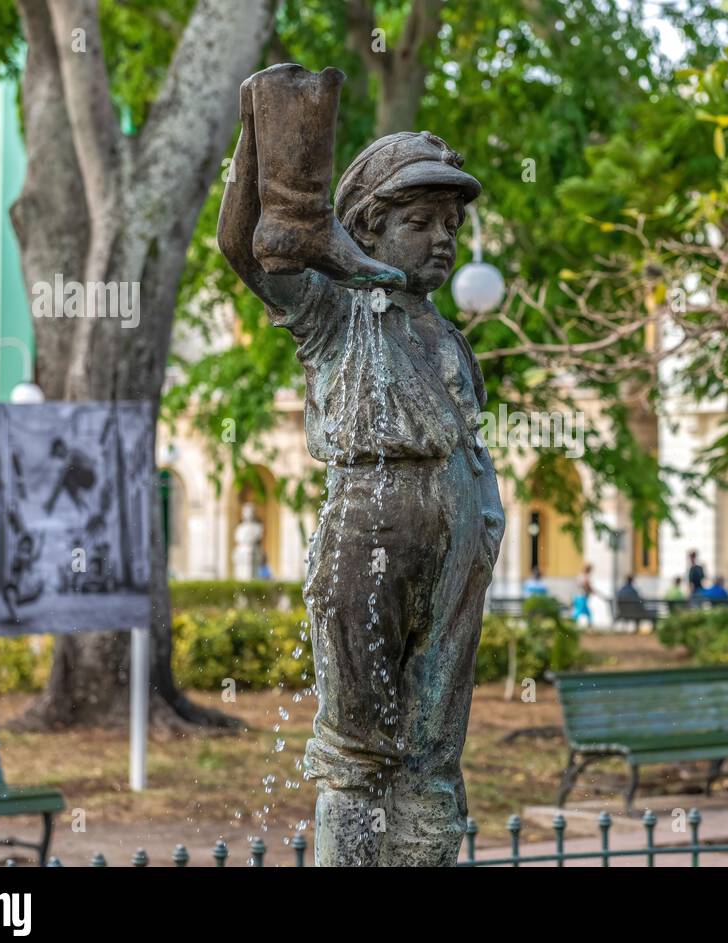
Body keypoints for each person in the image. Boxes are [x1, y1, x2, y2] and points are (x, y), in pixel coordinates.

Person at [218, 64, 504, 865]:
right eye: (420, 219)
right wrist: (259, 136)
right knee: (358, 753)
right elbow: (245, 249)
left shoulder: (446, 334)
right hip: (371, 536)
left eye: (451, 222)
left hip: (457, 551)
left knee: (432, 755)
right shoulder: (337, 310)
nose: (443, 237)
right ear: (367, 230)